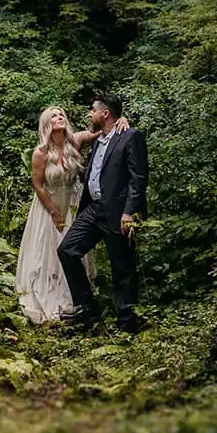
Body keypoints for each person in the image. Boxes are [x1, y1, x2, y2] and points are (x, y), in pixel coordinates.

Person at [14, 105, 127, 324]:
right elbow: (37, 185)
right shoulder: (41, 153)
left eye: (61, 115)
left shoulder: (74, 141)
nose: (59, 118)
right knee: (48, 250)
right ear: (47, 124)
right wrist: (54, 212)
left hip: (73, 203)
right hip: (49, 203)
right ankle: (49, 293)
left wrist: (120, 119)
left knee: (71, 248)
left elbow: (101, 132)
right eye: (54, 116)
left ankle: (79, 300)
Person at [58, 93, 148, 335]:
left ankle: (127, 322)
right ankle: (88, 309)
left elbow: (138, 179)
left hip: (118, 212)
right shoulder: (99, 140)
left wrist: (129, 213)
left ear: (105, 114)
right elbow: (95, 171)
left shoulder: (130, 136)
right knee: (67, 250)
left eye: (93, 110)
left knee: (122, 266)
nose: (90, 114)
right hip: (93, 209)